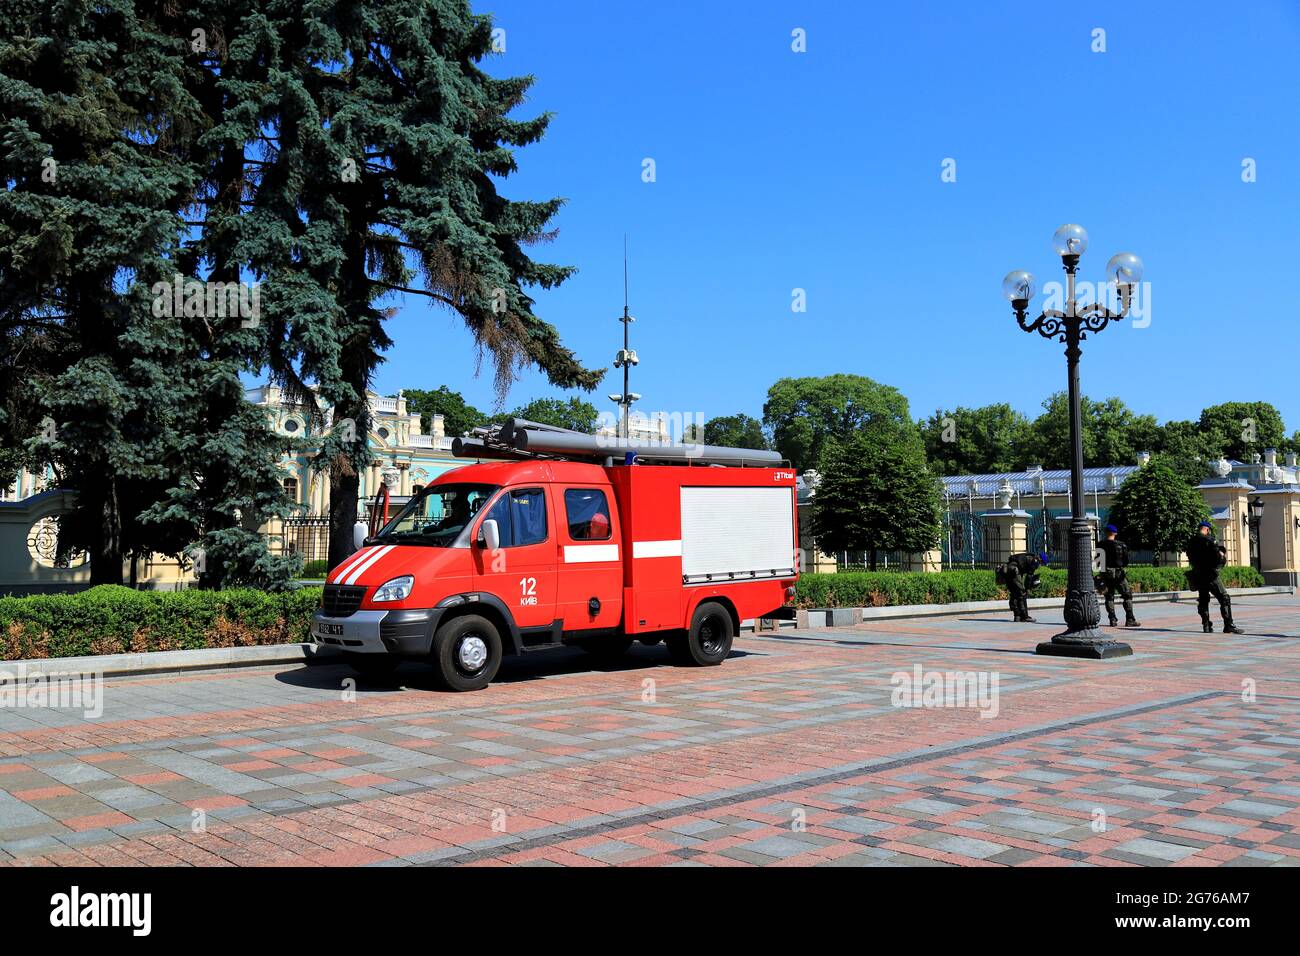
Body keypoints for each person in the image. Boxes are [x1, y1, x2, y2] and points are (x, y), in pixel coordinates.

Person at [1184, 521, 1243, 634]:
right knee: (1224, 598)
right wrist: (1222, 556)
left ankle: (1206, 626)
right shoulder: (1210, 540)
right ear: (1207, 529)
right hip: (1211, 575)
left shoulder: (1191, 541)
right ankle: (1228, 625)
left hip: (1198, 574)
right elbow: (1218, 558)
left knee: (1203, 600)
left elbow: (1190, 557)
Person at [1097, 524, 1139, 627]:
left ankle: (1112, 619)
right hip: (1119, 574)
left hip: (1106, 573)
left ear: (1106, 532)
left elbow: (1098, 562)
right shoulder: (1121, 545)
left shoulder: (1100, 545)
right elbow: (1126, 561)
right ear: (1115, 533)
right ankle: (1130, 619)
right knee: (1127, 595)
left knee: (1109, 596)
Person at [1002, 551, 1048, 622]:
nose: (1040, 565)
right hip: (1014, 571)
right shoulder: (1035, 561)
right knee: (1021, 594)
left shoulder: (1028, 557)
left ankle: (1017, 616)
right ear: (1040, 560)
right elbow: (1029, 577)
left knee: (1014, 593)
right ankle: (1025, 617)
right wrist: (1027, 589)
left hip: (1007, 570)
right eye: (1042, 564)